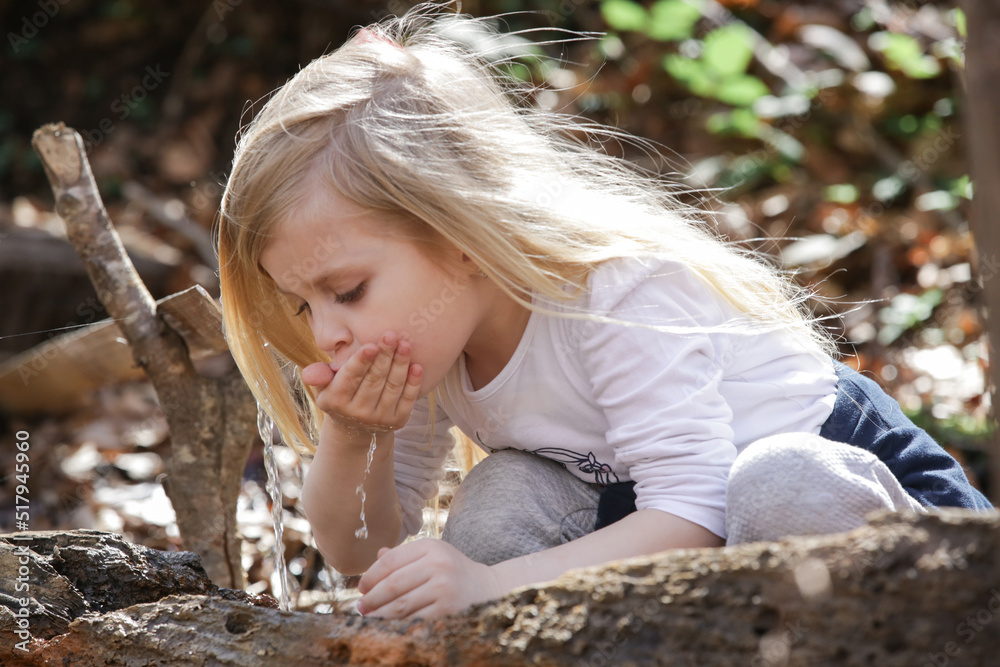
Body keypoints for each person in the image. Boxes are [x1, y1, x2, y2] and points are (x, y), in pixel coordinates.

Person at [217, 4, 992, 620]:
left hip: (854, 500)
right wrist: (356, 440)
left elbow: (693, 508)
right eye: (302, 302)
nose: (326, 332)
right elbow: (362, 552)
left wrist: (492, 588)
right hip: (684, 543)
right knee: (498, 502)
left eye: (346, 290)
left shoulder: (616, 292)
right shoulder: (431, 345)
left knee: (777, 485)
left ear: (460, 236)